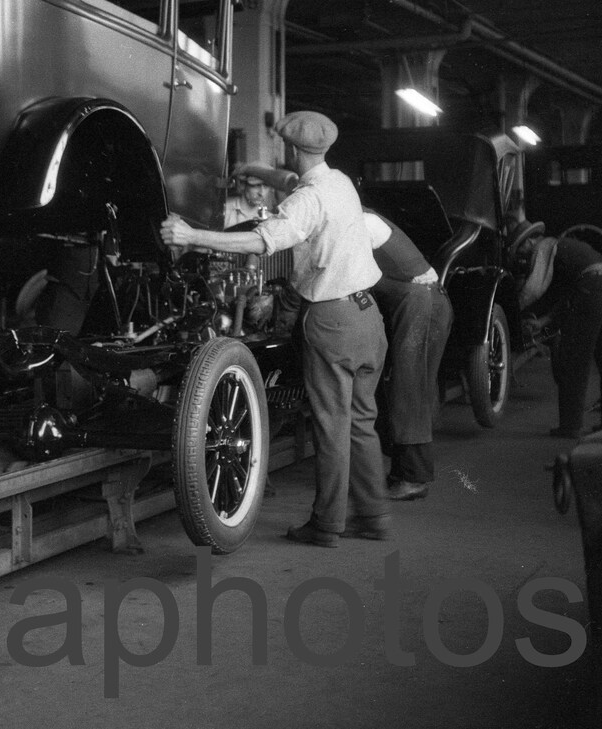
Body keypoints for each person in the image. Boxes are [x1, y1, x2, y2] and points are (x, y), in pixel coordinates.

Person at [161, 110, 389, 547]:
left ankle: (327, 525)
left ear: (293, 149)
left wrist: (191, 236)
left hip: (332, 320)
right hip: (368, 316)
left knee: (331, 427)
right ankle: (375, 517)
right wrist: (253, 170)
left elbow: (261, 241)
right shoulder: (339, 182)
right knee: (361, 421)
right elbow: (291, 181)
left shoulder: (307, 201)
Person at [363, 209, 453, 501]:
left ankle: (414, 479)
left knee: (409, 389)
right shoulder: (359, 217)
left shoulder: (362, 223)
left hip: (421, 305)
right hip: (417, 304)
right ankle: (403, 472)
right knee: (405, 389)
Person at [512, 221, 602, 437]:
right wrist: (544, 322)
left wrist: (512, 311)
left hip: (595, 292)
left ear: (529, 241)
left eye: (519, 249)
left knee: (574, 361)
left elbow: (533, 289)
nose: (521, 256)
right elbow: (570, 295)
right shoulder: (571, 250)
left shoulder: (544, 247)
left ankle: (570, 426)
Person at [223, 161, 299, 228]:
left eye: (266, 186)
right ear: (242, 185)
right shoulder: (224, 211)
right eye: (256, 185)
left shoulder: (269, 218)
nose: (261, 193)